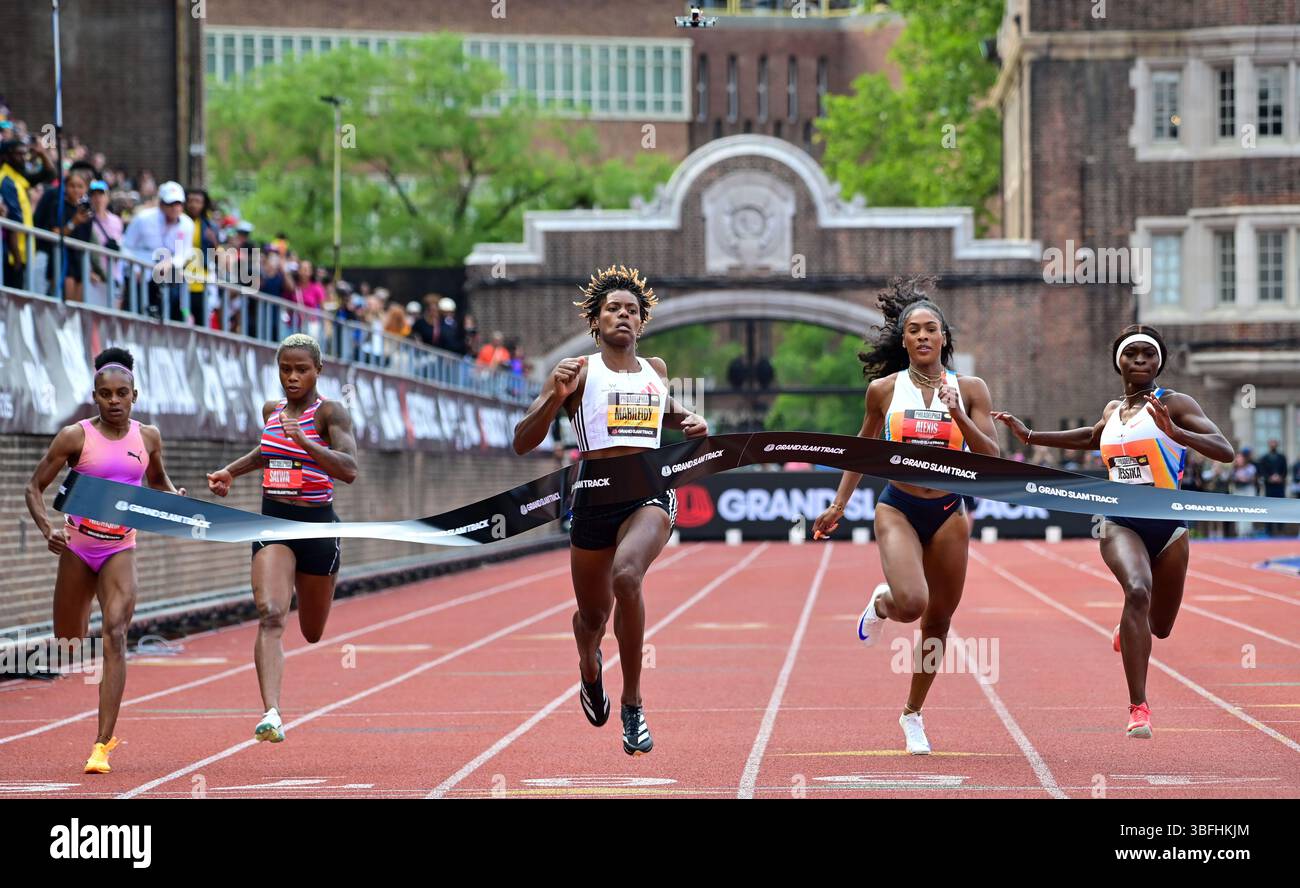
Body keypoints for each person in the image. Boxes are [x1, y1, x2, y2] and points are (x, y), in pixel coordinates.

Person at [993, 324, 1233, 739]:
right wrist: (1030, 435)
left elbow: (1224, 450)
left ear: (1159, 362)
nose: (1140, 361)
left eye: (1149, 354)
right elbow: (1090, 437)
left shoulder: (1173, 403)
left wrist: (1177, 434)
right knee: (1137, 590)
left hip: (1168, 524)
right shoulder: (1111, 411)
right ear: (1118, 361)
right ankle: (1139, 707)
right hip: (1119, 520)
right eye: (1132, 354)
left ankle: (1128, 628)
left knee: (1160, 626)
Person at [511, 265, 707, 755]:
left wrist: (690, 419)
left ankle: (634, 704)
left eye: (632, 310)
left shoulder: (655, 371)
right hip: (595, 497)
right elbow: (521, 442)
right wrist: (551, 400)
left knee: (627, 577)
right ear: (595, 322)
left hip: (649, 492)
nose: (624, 315)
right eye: (613, 309)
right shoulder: (577, 372)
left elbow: (666, 412)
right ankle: (588, 665)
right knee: (591, 617)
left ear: (641, 324)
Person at [811, 276, 1000, 755]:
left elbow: (993, 456)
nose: (921, 336)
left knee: (938, 620)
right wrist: (838, 505)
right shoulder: (883, 390)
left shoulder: (971, 389)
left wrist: (957, 415)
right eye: (912, 329)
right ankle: (883, 603)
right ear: (903, 339)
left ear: (943, 338)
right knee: (912, 603)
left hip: (948, 511)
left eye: (930, 329)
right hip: (898, 506)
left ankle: (912, 714)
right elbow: (862, 450)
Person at [24, 347, 186, 772]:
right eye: (105, 394)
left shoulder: (148, 437)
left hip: (120, 547)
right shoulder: (74, 437)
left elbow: (158, 481)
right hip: (78, 545)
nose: (114, 401)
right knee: (70, 643)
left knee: (115, 633)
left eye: (122, 394)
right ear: (94, 397)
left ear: (135, 395)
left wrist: (176, 499)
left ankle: (101, 745)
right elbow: (33, 488)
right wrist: (48, 531)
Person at [206, 333, 358, 744]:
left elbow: (349, 469)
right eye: (286, 369)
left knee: (311, 631)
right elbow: (266, 452)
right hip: (273, 523)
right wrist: (231, 472)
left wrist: (306, 441)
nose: (292, 377)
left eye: (301, 370)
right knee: (271, 613)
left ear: (318, 371)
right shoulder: (272, 411)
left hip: (317, 529)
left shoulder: (331, 413)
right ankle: (271, 712)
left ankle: (328, 572)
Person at [120, 180, 193, 320]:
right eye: (170, 204)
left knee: (174, 304)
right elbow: (127, 246)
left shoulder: (187, 224)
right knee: (137, 307)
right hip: (140, 272)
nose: (175, 208)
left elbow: (184, 252)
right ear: (161, 204)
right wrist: (135, 268)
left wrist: (170, 263)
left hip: (168, 274)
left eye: (178, 204)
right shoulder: (143, 219)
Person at [1257, 440, 1288, 536]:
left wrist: (1280, 477)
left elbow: (1285, 470)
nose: (1273, 445)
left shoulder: (1282, 457)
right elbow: (1261, 471)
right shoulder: (1264, 458)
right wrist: (1269, 478)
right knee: (1268, 507)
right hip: (1269, 486)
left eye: (1274, 444)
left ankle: (1280, 529)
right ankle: (1269, 529)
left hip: (1279, 486)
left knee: (1280, 506)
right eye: (1271, 444)